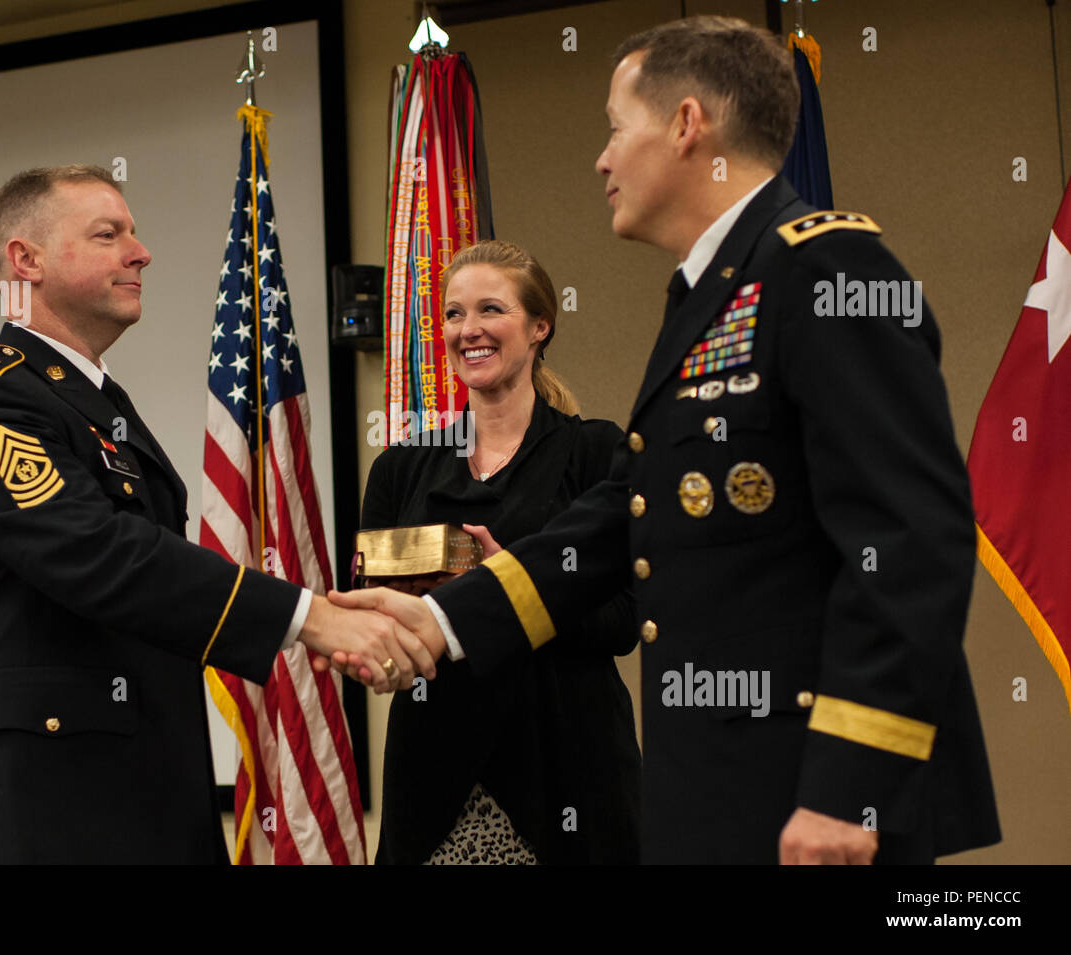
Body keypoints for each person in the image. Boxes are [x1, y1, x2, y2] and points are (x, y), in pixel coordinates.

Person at [332, 17, 1002, 864]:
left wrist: (850, 787)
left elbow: (910, 543)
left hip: (815, 801)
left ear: (688, 125)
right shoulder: (707, 296)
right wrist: (440, 621)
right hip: (719, 790)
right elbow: (621, 518)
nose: (603, 159)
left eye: (617, 127)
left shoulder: (827, 270)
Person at [0, 164, 436, 863]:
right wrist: (311, 616)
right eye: (109, 234)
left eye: (133, 232)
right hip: (43, 813)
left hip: (145, 794)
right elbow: (102, 555)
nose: (141, 251)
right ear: (25, 260)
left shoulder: (101, 406)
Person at [361, 240, 641, 865]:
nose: (470, 331)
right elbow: (372, 621)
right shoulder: (398, 471)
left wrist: (506, 588)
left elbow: (625, 622)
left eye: (492, 310)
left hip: (565, 764)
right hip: (433, 776)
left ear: (540, 326)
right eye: (455, 314)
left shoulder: (596, 454)